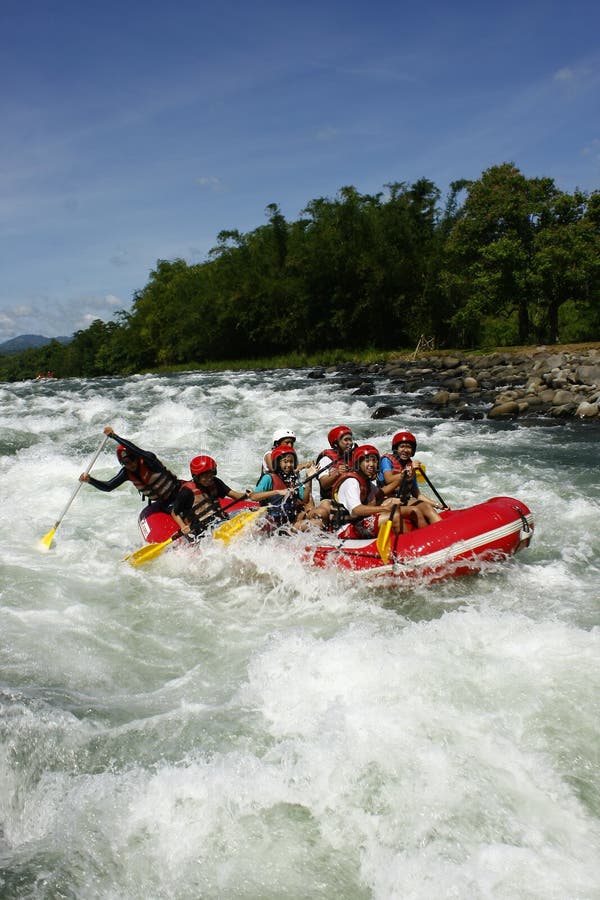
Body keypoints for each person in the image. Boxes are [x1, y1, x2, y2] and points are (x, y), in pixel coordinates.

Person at [79, 426, 181, 511]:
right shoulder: (126, 473)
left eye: (132, 459)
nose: (131, 464)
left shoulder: (149, 460)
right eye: (126, 462)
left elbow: (136, 450)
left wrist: (114, 436)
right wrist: (89, 480)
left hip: (178, 492)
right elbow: (108, 487)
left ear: (137, 457)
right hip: (165, 502)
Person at [171, 455, 252, 538]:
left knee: (250, 511)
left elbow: (235, 495)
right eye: (205, 476)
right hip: (203, 529)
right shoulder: (187, 491)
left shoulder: (215, 482)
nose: (209, 479)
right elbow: (174, 512)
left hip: (221, 520)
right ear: (196, 477)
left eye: (211, 475)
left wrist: (247, 495)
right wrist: (183, 527)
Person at [329, 444, 401, 538]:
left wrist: (401, 479)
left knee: (392, 502)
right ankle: (404, 543)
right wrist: (385, 508)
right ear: (358, 464)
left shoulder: (365, 482)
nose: (371, 464)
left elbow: (380, 493)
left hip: (356, 523)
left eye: (374, 461)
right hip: (345, 529)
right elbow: (356, 510)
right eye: (367, 461)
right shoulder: (351, 482)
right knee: (395, 517)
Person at [378, 431, 442, 527]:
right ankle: (425, 534)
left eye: (408, 447)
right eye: (402, 446)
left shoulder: (410, 465)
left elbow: (417, 494)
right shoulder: (386, 460)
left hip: (403, 501)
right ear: (396, 448)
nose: (405, 450)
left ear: (412, 450)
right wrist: (408, 471)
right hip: (387, 501)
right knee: (415, 510)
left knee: (427, 507)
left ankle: (443, 530)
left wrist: (438, 505)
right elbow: (388, 479)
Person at [250, 444, 317, 532]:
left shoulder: (293, 478)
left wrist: (309, 478)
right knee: (313, 525)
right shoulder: (268, 478)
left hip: (290, 521)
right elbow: (253, 497)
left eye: (291, 462)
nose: (289, 465)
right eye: (285, 462)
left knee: (316, 521)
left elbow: (305, 500)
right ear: (278, 463)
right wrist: (277, 492)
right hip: (272, 523)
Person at [315, 425, 358, 501]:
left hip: (352, 497)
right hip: (331, 500)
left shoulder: (355, 457)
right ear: (335, 443)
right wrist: (337, 473)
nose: (350, 443)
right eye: (346, 440)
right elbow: (324, 484)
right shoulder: (326, 459)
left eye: (350, 440)